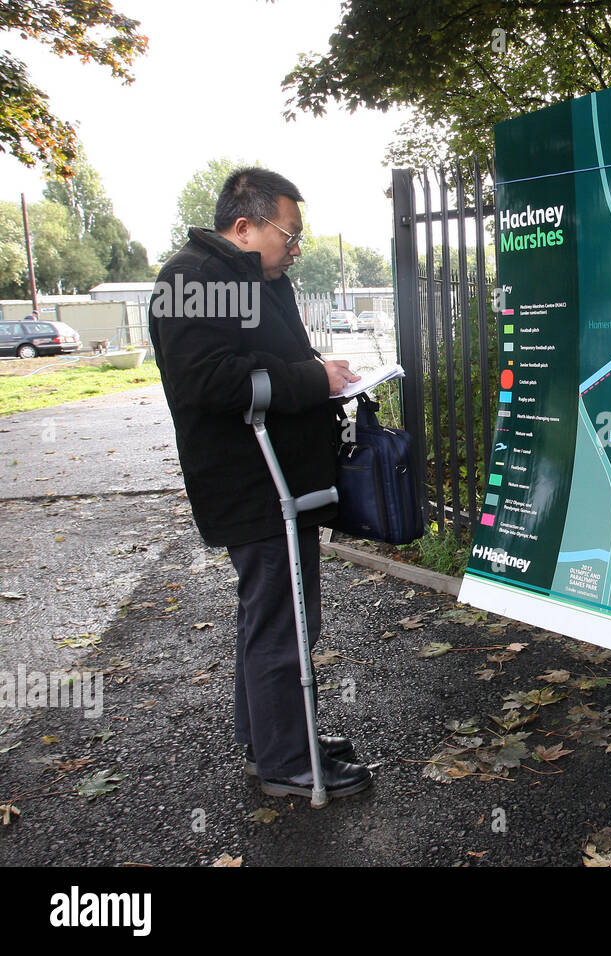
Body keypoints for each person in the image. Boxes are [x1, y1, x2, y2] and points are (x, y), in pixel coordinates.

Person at [148, 167, 373, 800]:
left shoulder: (255, 277)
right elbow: (211, 380)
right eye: (288, 233)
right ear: (244, 225)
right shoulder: (191, 278)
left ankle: (273, 740)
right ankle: (288, 764)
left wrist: (319, 376)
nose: (294, 247)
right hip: (252, 484)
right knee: (285, 621)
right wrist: (314, 380)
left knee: (273, 615)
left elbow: (269, 360)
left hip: (279, 479)